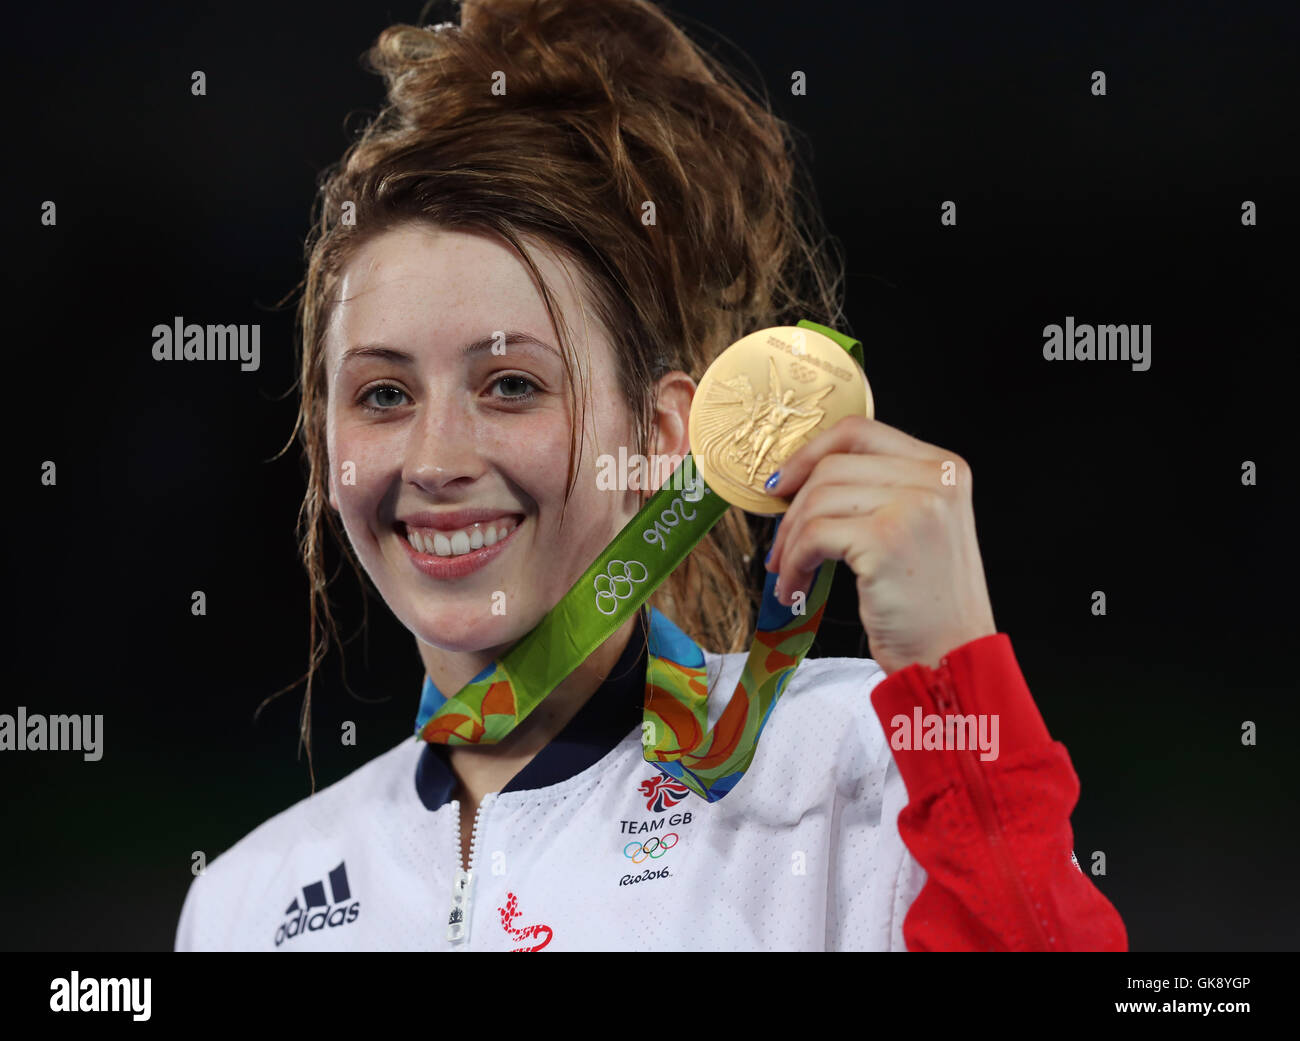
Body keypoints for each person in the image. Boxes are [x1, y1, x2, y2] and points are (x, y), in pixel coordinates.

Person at [174, 0, 1127, 951]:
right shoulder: (251, 901)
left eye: (511, 384)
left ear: (667, 431)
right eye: (383, 394)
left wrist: (952, 677)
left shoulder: (856, 772)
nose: (435, 459)